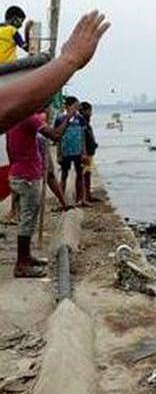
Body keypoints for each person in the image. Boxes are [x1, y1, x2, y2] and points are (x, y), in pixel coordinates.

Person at [0, 10, 110, 133]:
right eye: (21, 21)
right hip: (9, 71)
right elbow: (26, 47)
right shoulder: (12, 31)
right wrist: (69, 60)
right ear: (15, 19)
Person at [6, 106, 73, 277]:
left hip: (18, 172)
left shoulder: (14, 116)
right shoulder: (31, 117)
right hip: (28, 176)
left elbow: (9, 148)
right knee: (28, 220)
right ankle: (21, 265)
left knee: (27, 218)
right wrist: (68, 117)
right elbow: (56, 135)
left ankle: (26, 257)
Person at [55, 96, 87, 206]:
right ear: (68, 106)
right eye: (75, 106)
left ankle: (80, 199)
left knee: (80, 174)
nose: (77, 108)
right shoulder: (60, 118)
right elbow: (57, 136)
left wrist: (84, 152)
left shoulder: (80, 119)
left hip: (78, 150)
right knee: (64, 175)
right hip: (65, 151)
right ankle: (61, 200)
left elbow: (82, 136)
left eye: (77, 106)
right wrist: (58, 153)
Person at [79, 101, 99, 202]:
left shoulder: (85, 121)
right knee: (85, 174)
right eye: (90, 111)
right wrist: (84, 152)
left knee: (87, 173)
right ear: (85, 111)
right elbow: (83, 137)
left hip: (89, 151)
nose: (91, 113)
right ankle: (85, 196)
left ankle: (87, 194)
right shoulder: (82, 122)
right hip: (86, 152)